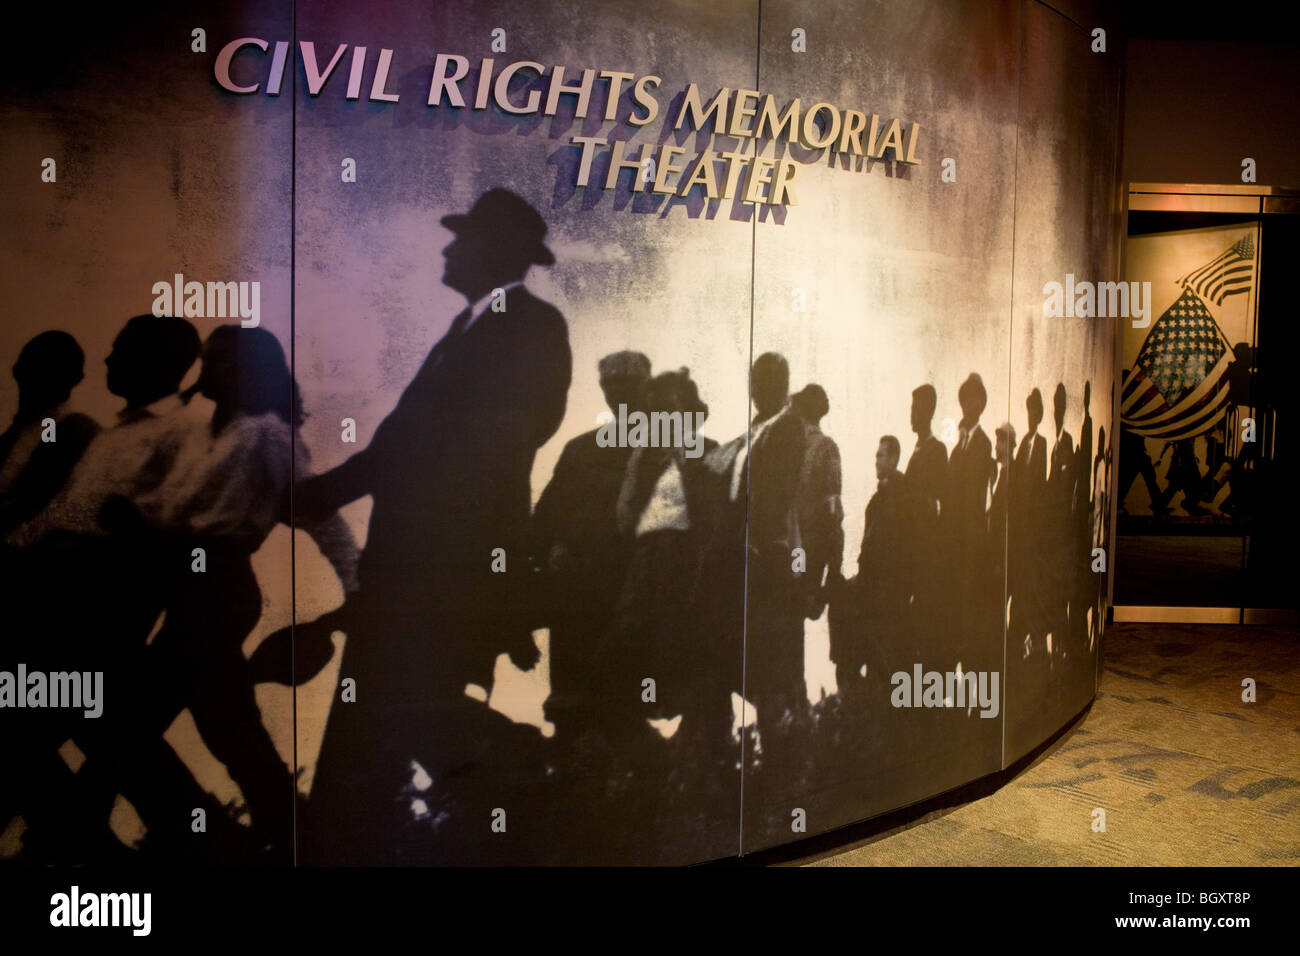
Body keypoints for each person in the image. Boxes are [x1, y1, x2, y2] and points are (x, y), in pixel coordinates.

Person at [295, 188, 572, 863]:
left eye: (463, 238)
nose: (449, 249)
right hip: (411, 571)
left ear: (495, 250)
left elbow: (496, 452)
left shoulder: (529, 327)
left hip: (448, 572)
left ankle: (528, 777)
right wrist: (320, 492)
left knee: (408, 716)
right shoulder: (470, 331)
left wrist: (498, 577)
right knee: (381, 724)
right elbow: (401, 446)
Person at [531, 350, 651, 742]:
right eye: (611, 386)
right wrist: (549, 551)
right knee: (572, 710)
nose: (619, 394)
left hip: (630, 597)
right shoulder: (580, 450)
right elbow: (545, 519)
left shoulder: (666, 449)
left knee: (623, 706)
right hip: (577, 600)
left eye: (628, 386)